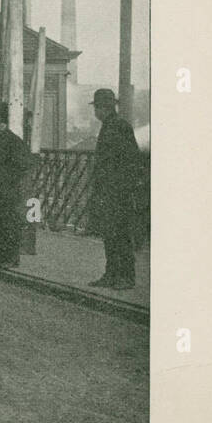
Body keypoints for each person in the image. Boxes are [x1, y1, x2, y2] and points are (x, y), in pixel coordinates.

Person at [88, 88, 142, 289]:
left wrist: (122, 188)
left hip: (118, 193)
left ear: (104, 108)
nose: (95, 112)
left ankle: (126, 277)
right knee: (110, 235)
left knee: (120, 235)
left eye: (97, 107)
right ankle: (111, 274)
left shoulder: (118, 126)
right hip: (109, 191)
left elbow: (130, 161)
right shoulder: (111, 125)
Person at [0, 102, 33, 269]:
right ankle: (6, 257)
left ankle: (9, 258)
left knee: (8, 223)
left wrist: (3, 180)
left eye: (0, 122)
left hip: (8, 189)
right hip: (3, 188)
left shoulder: (9, 141)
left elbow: (21, 165)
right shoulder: (11, 141)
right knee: (4, 223)